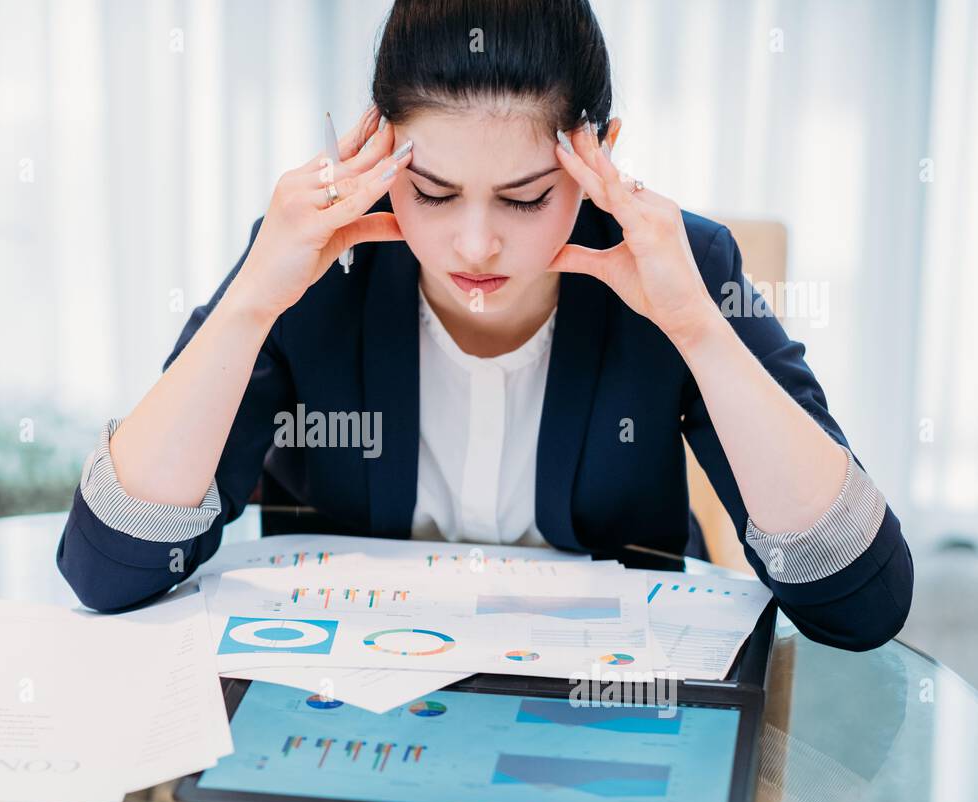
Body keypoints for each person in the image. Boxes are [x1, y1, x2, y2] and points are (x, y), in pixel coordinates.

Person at [57, 0, 912, 651]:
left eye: (527, 196)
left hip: (604, 718)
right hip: (344, 725)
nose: (475, 243)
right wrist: (249, 303)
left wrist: (696, 328)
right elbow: (109, 571)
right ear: (377, 150)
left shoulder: (680, 267)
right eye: (430, 192)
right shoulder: (314, 261)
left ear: (596, 155)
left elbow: (859, 604)